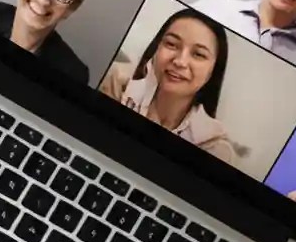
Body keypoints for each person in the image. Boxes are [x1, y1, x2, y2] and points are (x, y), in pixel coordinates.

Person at [99, 9, 236, 165]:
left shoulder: (214, 146)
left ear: (214, 70)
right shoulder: (119, 82)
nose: (180, 61)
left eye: (198, 54)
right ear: (156, 48)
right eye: (171, 44)